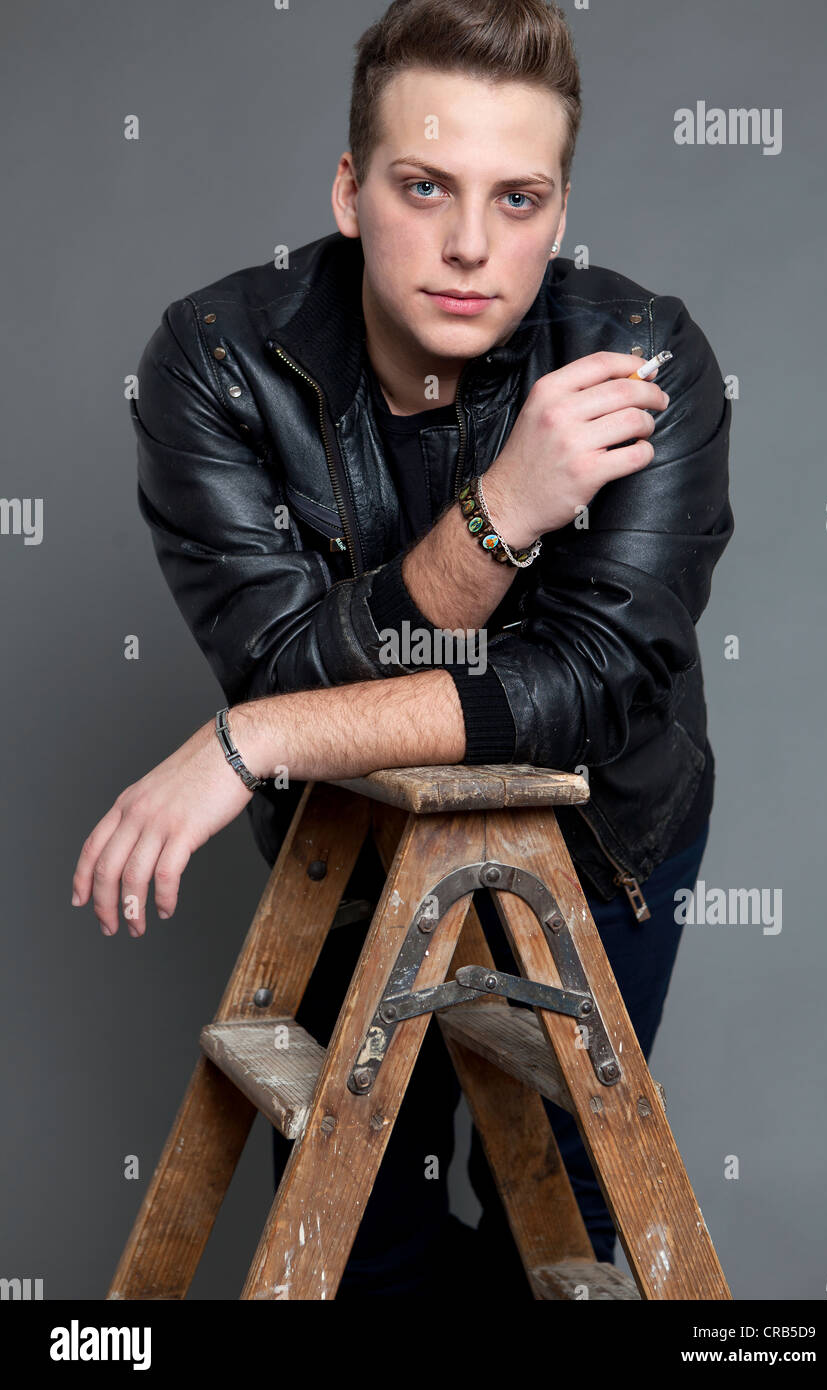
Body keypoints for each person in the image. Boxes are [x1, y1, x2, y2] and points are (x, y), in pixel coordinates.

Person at [71, 0, 733, 1297]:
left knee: (572, 1214)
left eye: (519, 197)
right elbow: (283, 660)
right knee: (360, 1225)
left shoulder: (639, 354)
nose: (471, 244)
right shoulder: (215, 359)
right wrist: (497, 514)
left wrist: (251, 740)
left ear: (557, 207)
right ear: (350, 191)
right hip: (350, 843)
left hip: (599, 841)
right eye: (424, 187)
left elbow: (584, 691)